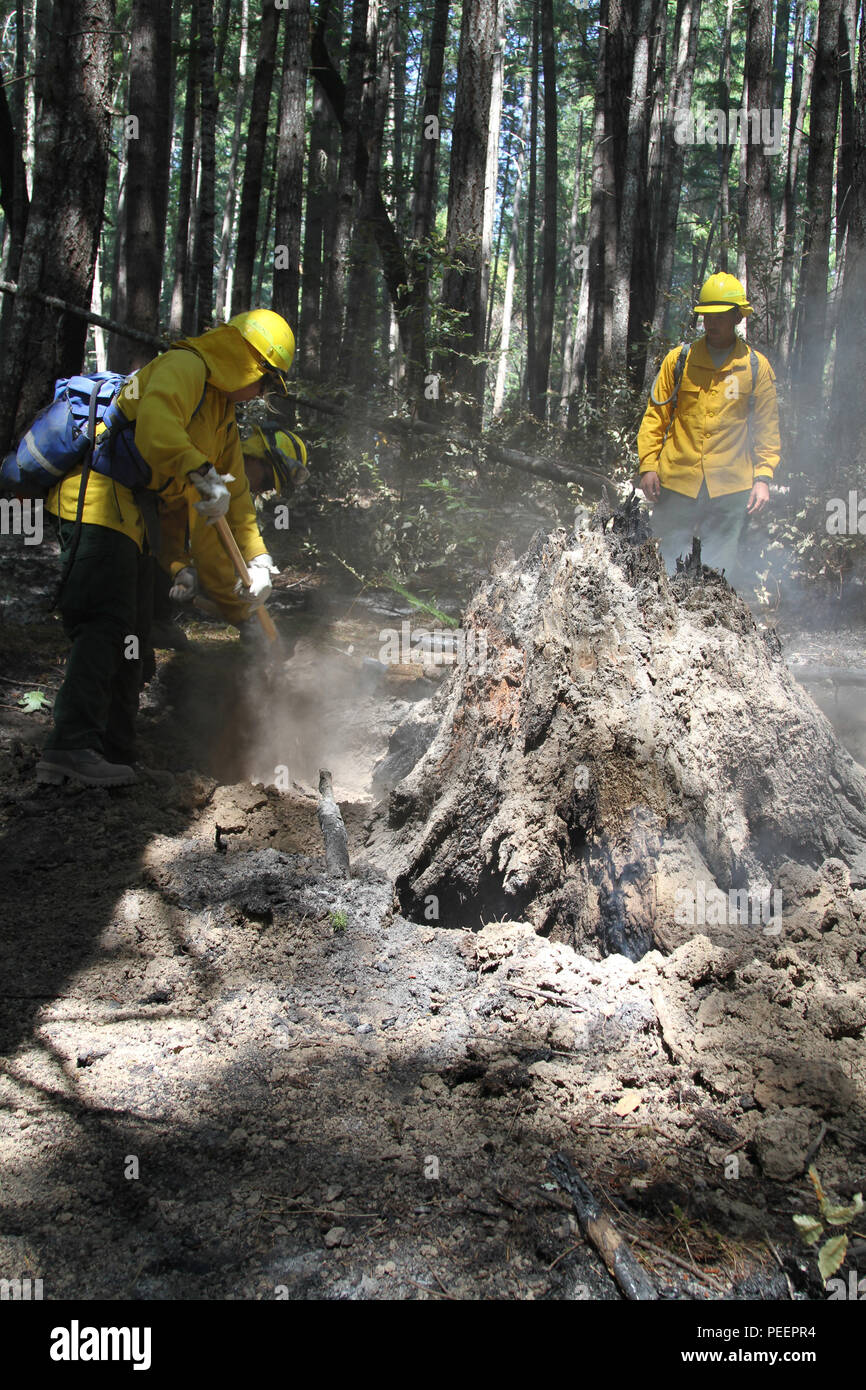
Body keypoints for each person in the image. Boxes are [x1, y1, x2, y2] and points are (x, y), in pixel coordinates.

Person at [36, 309, 296, 788]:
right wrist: (200, 473)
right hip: (95, 493)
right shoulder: (185, 368)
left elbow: (232, 509)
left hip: (134, 512)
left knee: (136, 631)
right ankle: (69, 748)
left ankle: (114, 752)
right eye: (266, 383)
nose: (262, 395)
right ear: (250, 364)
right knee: (107, 621)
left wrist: (255, 565)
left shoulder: (222, 416)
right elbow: (158, 430)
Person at [637, 273, 780, 588]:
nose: (711, 322)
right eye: (706, 315)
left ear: (737, 316)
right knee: (662, 562)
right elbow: (655, 416)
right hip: (677, 479)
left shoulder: (756, 367)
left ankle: (709, 627)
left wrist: (763, 478)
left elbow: (767, 429)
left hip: (730, 485)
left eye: (720, 315)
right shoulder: (680, 360)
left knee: (718, 571)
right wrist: (648, 465)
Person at [156, 425, 308, 646]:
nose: (261, 490)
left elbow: (242, 527)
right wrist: (246, 618)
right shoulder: (213, 473)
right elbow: (211, 558)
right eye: (266, 481)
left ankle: (154, 623)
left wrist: (179, 568)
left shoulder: (227, 479)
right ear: (257, 458)